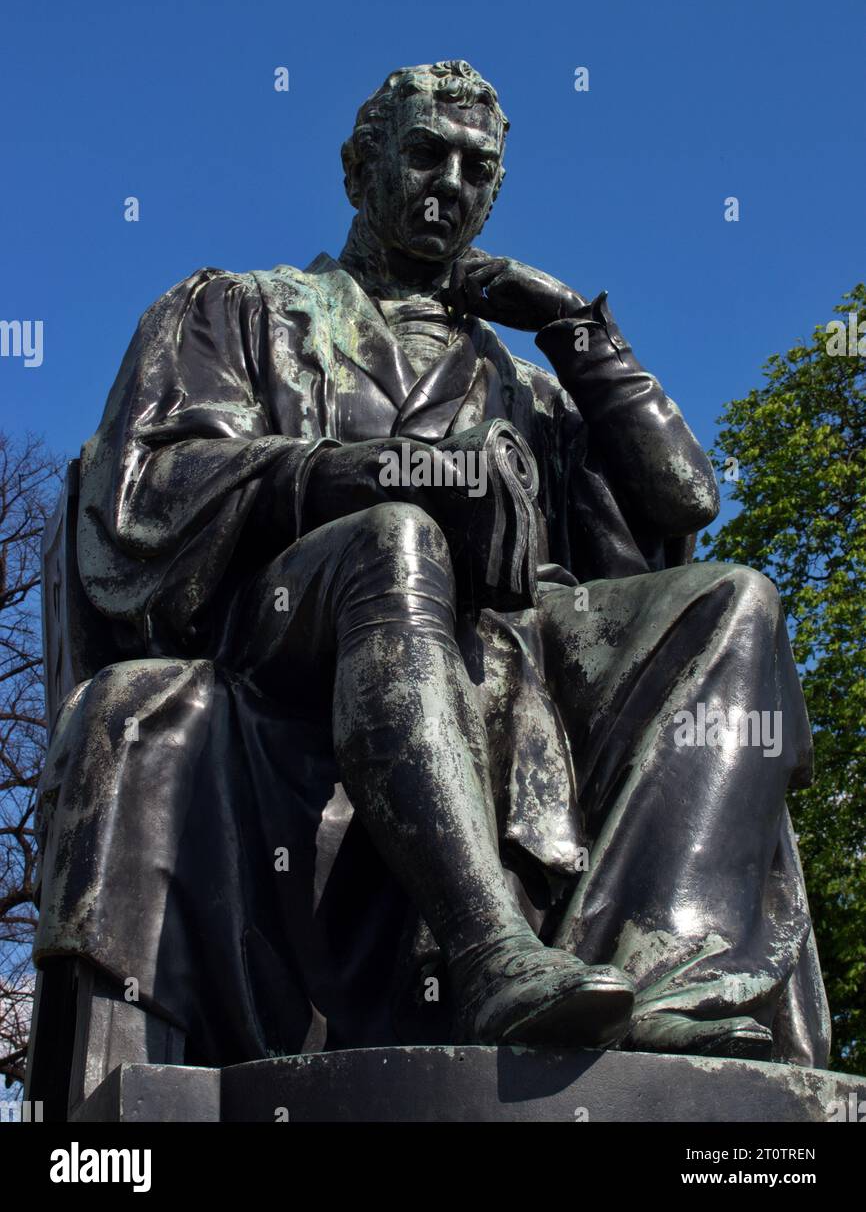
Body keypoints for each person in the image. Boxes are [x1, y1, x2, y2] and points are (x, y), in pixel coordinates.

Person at [33, 60, 830, 1069]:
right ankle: (489, 947)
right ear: (358, 166)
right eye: (424, 152)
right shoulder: (237, 309)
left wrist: (571, 325)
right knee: (395, 533)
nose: (450, 182)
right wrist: (368, 473)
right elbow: (148, 489)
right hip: (290, 627)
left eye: (477, 167)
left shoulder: (529, 386)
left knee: (736, 601)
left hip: (502, 647)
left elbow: (683, 502)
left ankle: (656, 974)